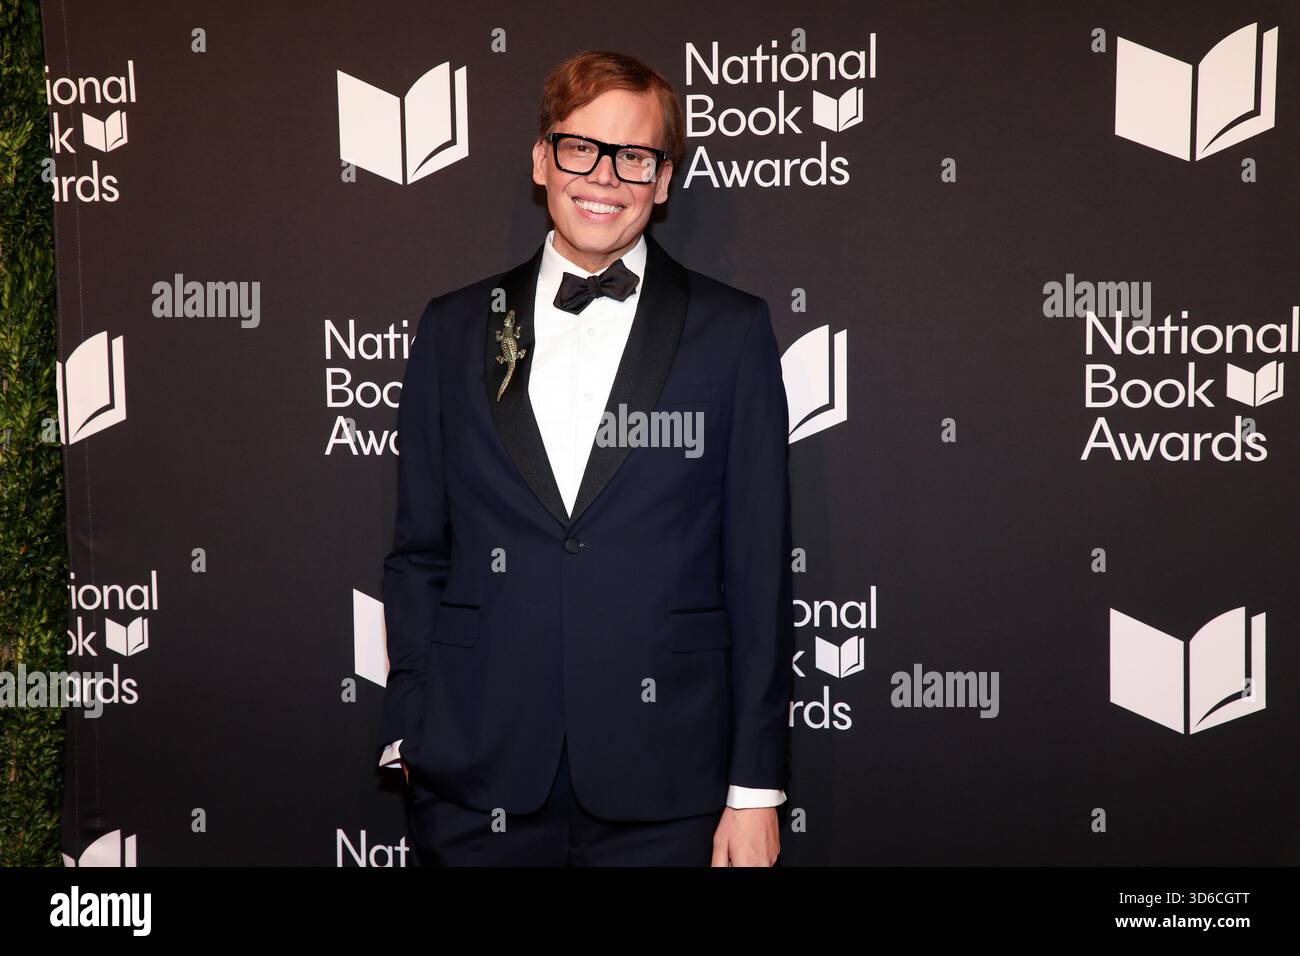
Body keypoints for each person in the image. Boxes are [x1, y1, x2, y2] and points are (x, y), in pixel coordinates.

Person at [377, 49, 793, 866]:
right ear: (541, 159)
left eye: (634, 156)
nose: (604, 177)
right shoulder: (455, 328)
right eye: (580, 147)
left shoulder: (732, 333)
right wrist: (415, 724)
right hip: (472, 780)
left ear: (664, 180)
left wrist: (754, 791)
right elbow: (419, 551)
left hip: (670, 787)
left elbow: (759, 573)